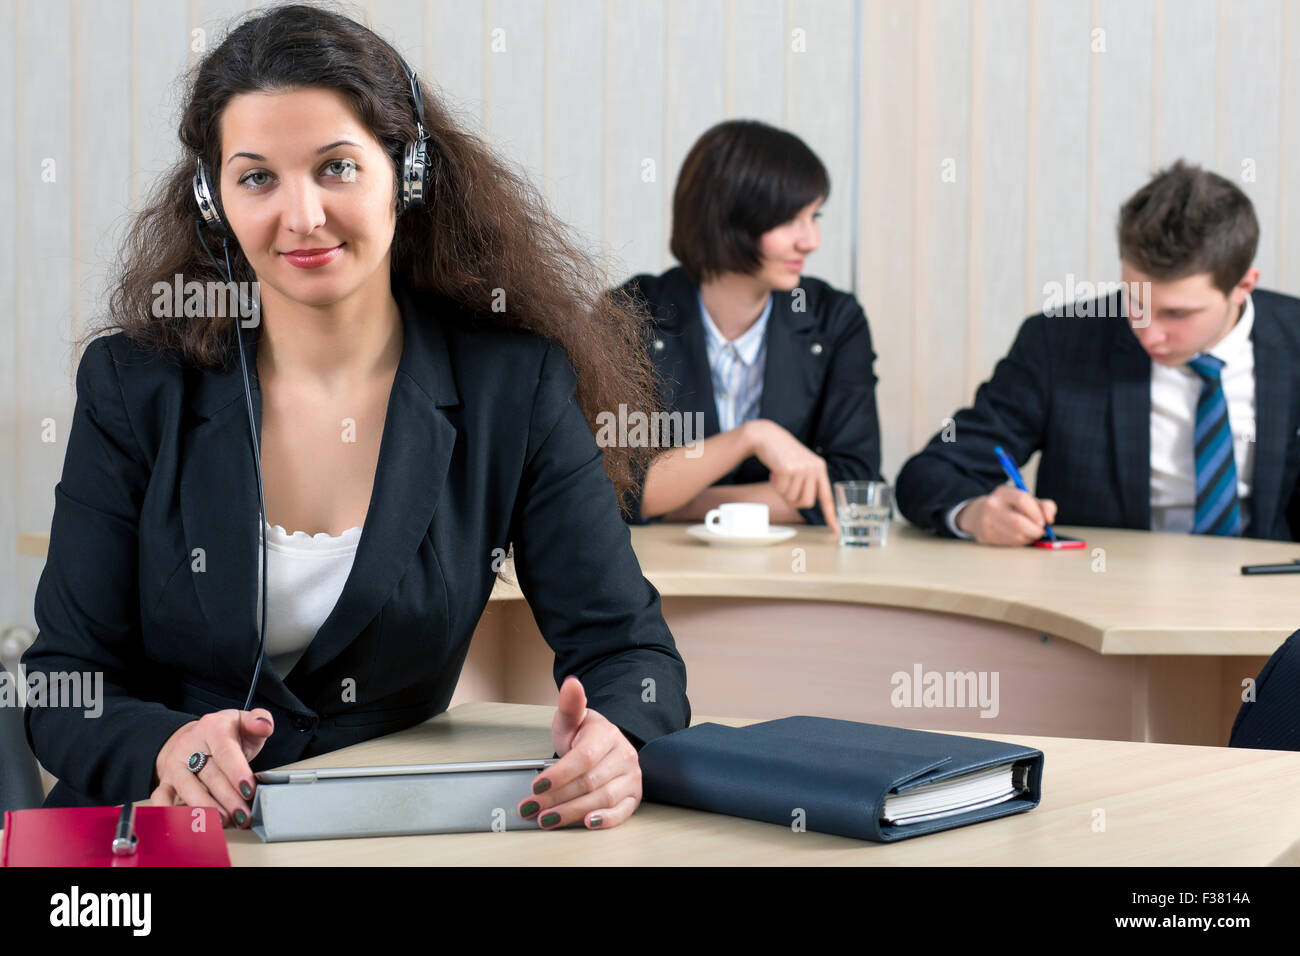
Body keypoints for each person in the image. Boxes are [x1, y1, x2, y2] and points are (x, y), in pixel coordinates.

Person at [21, 3, 689, 832]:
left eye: (336, 167)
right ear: (212, 197)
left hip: (383, 835)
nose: (300, 216)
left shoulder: (511, 387)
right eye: (257, 177)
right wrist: (166, 745)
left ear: (405, 174)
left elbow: (631, 653)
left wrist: (616, 738)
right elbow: (63, 680)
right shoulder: (134, 386)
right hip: (161, 840)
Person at [896, 160, 1300, 545]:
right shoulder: (1059, 342)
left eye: (1176, 313)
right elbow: (930, 472)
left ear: (1243, 285)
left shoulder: (1293, 341)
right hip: (1102, 599)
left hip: (1264, 603)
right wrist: (976, 514)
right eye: (1136, 300)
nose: (1148, 333)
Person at [615, 120, 882, 529]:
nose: (811, 240)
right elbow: (614, 488)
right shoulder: (633, 313)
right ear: (725, 220)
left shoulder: (835, 319)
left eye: (815, 216)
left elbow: (852, 488)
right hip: (656, 574)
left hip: (793, 572)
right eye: (790, 219)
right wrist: (750, 437)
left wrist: (682, 500)